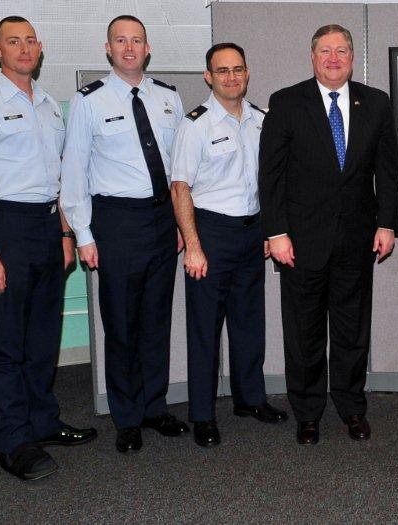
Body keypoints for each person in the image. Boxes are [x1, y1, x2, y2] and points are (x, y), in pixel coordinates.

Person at [0, 16, 96, 480]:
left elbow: (57, 178)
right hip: (6, 227)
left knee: (42, 338)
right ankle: (13, 441)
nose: (24, 48)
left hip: (47, 226)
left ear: (40, 47)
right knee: (9, 342)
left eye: (30, 40)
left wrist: (65, 234)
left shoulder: (52, 105)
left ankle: (42, 421)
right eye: (13, 41)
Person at [258, 24, 398, 446]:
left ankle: (352, 408)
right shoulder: (285, 103)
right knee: (304, 333)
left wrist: (387, 223)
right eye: (325, 51)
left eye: (341, 51)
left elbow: (386, 169)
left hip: (357, 239)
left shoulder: (375, 103)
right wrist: (276, 232)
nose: (333, 58)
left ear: (352, 58)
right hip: (299, 242)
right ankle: (308, 412)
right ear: (312, 56)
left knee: (352, 330)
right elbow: (271, 176)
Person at [60, 15, 187, 453]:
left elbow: (179, 169)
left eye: (137, 41)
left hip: (161, 220)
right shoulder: (88, 101)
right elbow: (73, 172)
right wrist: (84, 235)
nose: (130, 48)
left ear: (147, 48)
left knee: (156, 320)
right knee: (121, 325)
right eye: (121, 40)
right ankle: (127, 416)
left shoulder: (169, 97)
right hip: (115, 222)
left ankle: (154, 407)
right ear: (108, 48)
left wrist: (178, 223)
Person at [170, 43, 288, 448]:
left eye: (238, 69)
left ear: (247, 72)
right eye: (222, 71)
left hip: (252, 233)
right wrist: (193, 246)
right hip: (211, 234)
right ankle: (202, 414)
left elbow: (270, 183)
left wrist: (270, 232)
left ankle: (249, 399)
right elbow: (181, 188)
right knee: (205, 329)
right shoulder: (195, 125)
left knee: (248, 322)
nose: (231, 77)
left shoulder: (260, 119)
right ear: (209, 76)